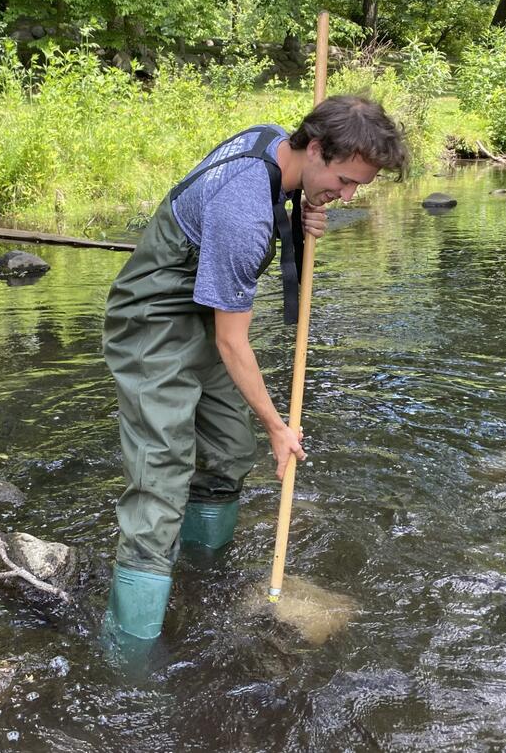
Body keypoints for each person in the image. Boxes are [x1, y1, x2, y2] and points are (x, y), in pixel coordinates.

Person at [101, 94, 409, 649]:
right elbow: (233, 340)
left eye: (357, 187)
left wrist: (300, 211)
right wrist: (277, 426)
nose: (346, 196)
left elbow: (280, 194)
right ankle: (128, 652)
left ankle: (200, 580)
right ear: (314, 148)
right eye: (342, 181)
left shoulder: (276, 141)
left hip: (200, 312)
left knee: (227, 451)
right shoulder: (242, 211)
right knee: (162, 476)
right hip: (152, 322)